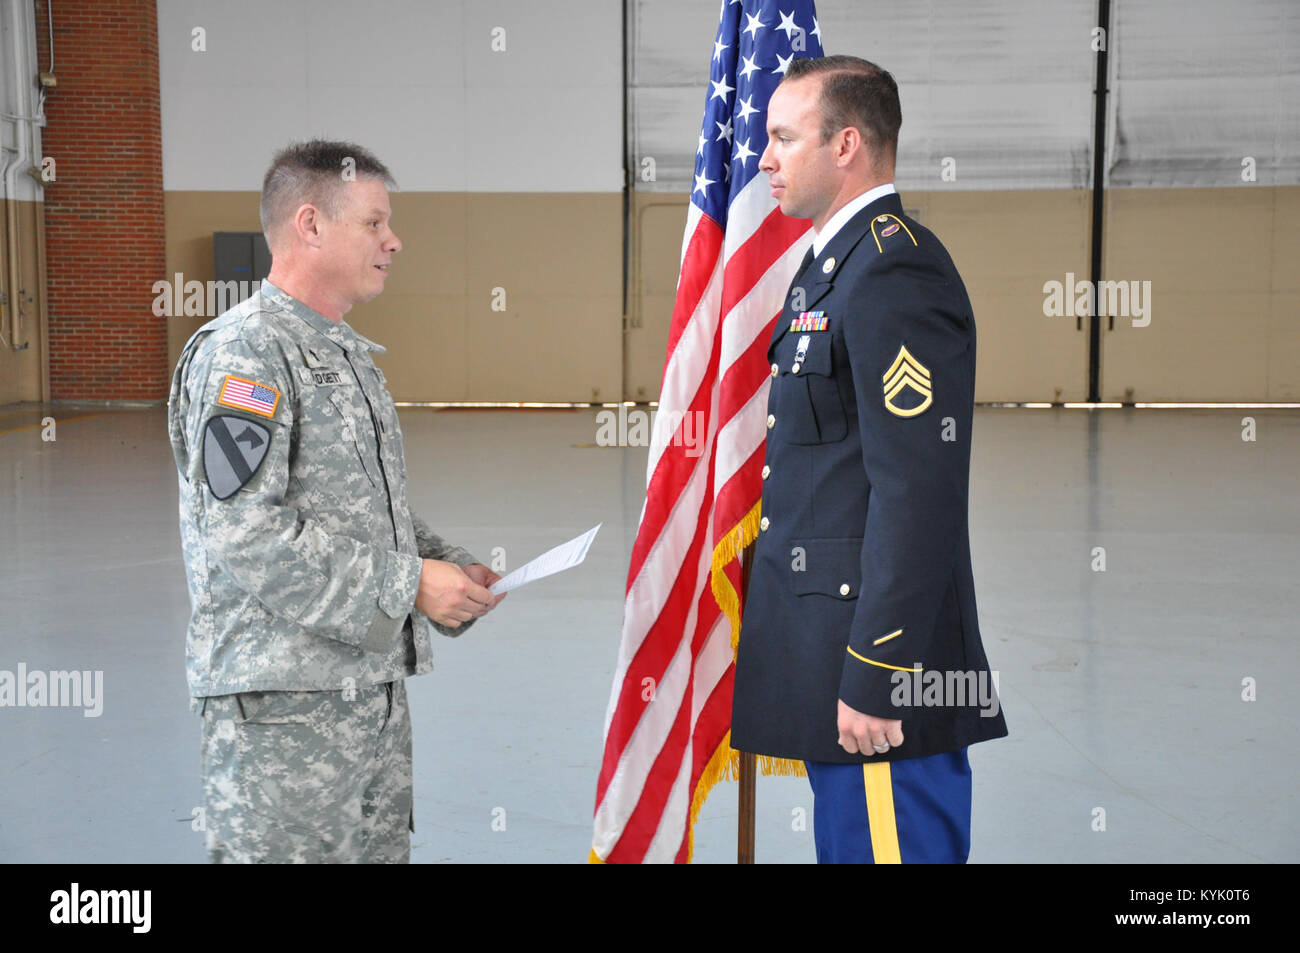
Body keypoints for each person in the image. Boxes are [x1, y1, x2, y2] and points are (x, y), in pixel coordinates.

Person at [167, 139, 505, 863]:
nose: (395, 241)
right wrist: (410, 583)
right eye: (375, 223)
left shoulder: (344, 354)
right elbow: (250, 535)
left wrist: (445, 563)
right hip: (282, 714)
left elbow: (363, 509)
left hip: (365, 700)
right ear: (311, 225)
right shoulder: (246, 355)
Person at [730, 56, 1008, 864]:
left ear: (846, 143)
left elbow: (917, 488)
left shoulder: (894, 266)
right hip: (832, 647)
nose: (765, 158)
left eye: (784, 137)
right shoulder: (830, 269)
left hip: (877, 668)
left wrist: (882, 667)